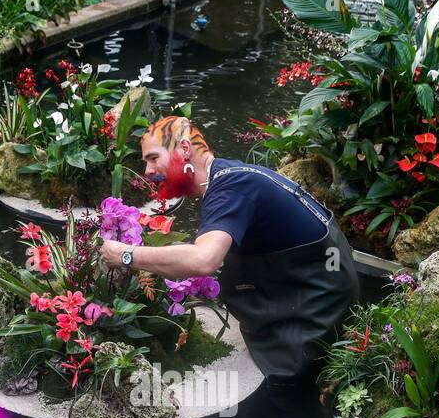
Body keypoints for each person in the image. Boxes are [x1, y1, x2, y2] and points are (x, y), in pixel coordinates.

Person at [99, 116, 360, 384]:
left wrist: (125, 255)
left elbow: (204, 260)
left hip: (317, 318)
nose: (147, 170)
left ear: (185, 149)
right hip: (326, 285)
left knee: (273, 393)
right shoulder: (229, 174)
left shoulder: (230, 190)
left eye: (153, 158)